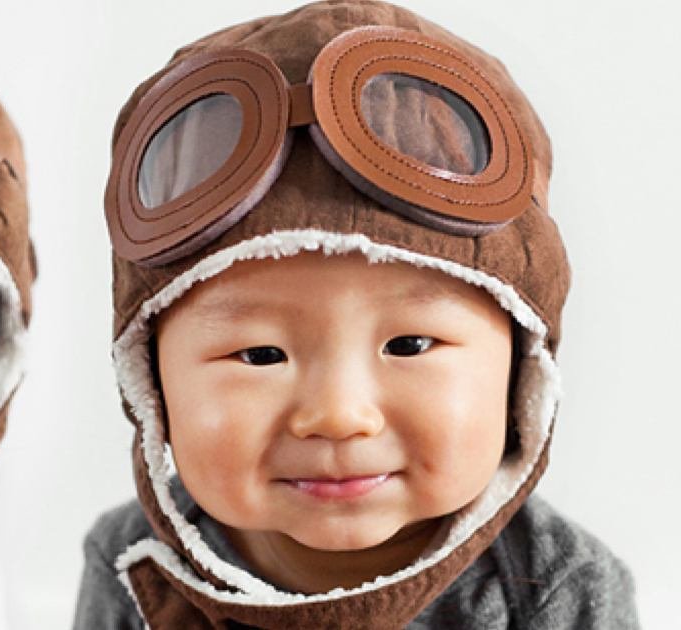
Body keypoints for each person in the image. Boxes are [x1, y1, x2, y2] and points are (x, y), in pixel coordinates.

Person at [75, 1, 639, 627]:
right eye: (261, 355)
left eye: (410, 345)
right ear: (150, 386)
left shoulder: (556, 590)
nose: (339, 416)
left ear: (520, 372)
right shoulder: (130, 562)